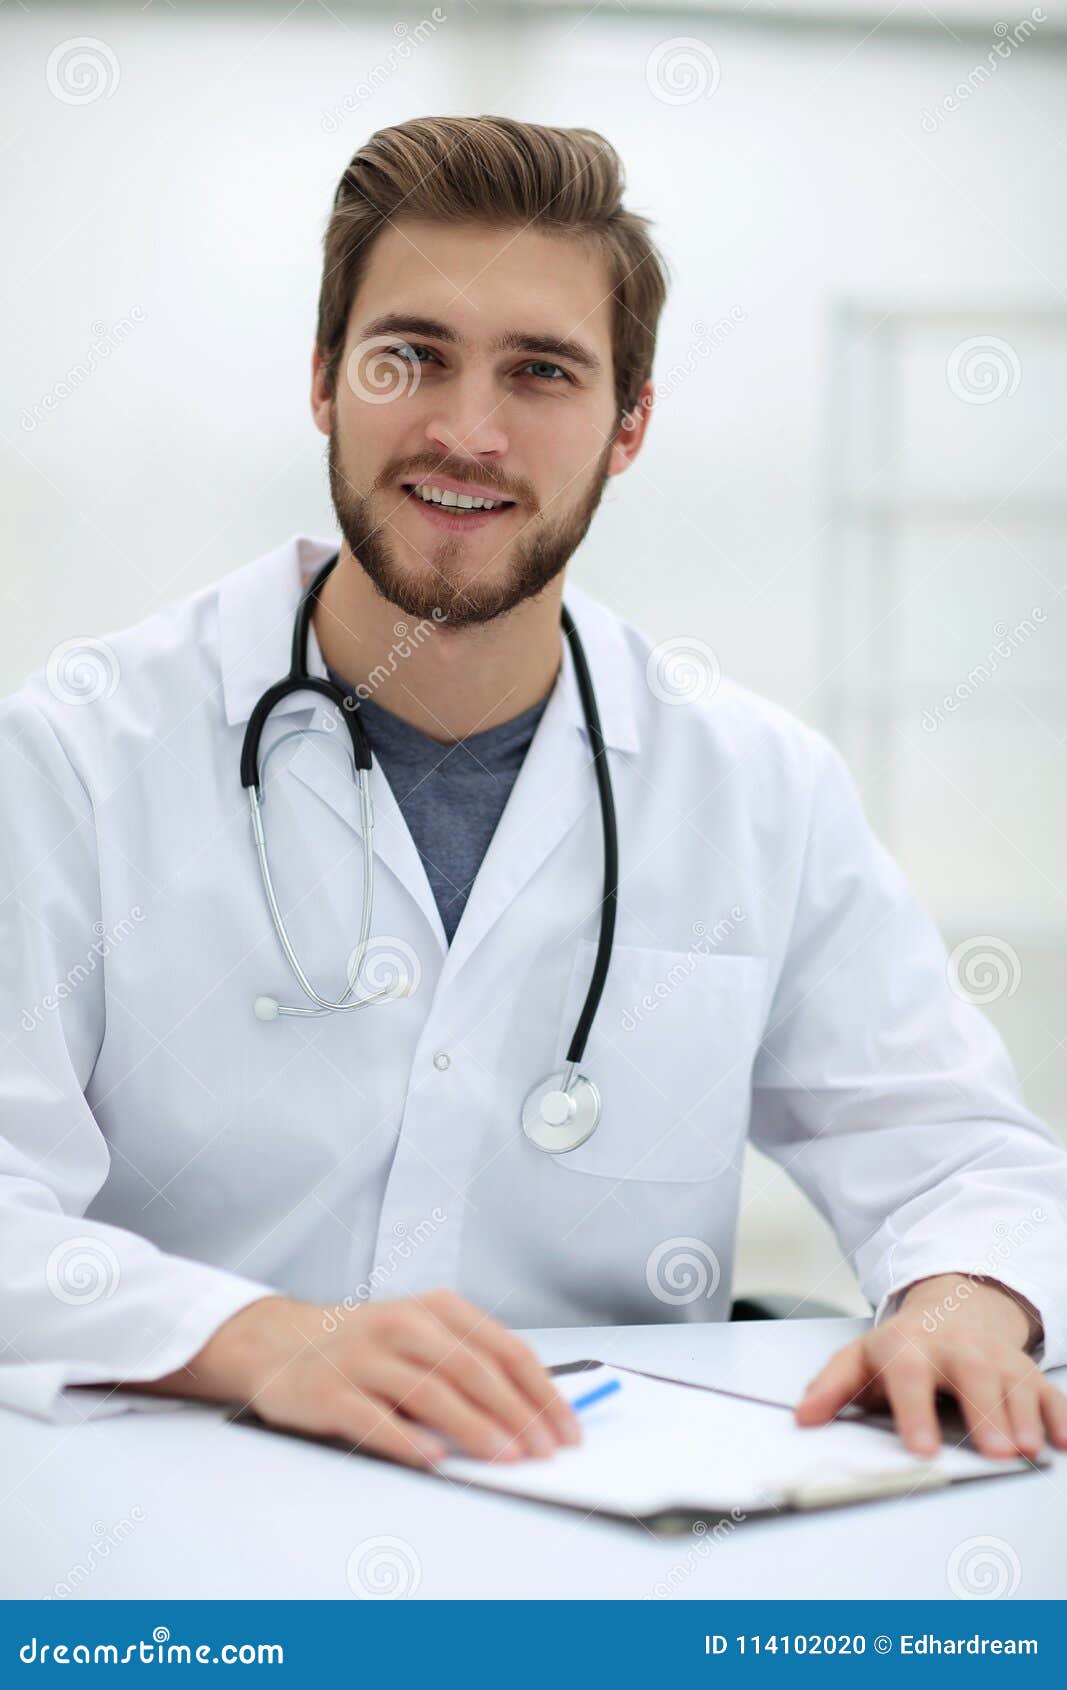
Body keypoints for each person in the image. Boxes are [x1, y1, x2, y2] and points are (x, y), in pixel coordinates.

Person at [2, 116, 1065, 1473]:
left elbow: (956, 1148)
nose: (468, 431)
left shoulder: (758, 790)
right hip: (178, 1509)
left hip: (604, 1520)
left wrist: (963, 1305)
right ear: (324, 379)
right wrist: (259, 1338)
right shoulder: (79, 756)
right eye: (410, 356)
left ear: (630, 426)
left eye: (542, 372)